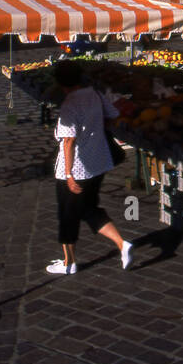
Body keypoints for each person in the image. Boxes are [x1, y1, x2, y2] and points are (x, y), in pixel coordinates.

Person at [48, 59, 133, 275]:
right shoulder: (94, 94)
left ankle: (69, 263)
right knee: (88, 209)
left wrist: (68, 174)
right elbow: (112, 115)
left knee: (68, 215)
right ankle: (122, 244)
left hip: (76, 168)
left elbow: (68, 141)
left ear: (61, 83)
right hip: (97, 163)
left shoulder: (69, 105)